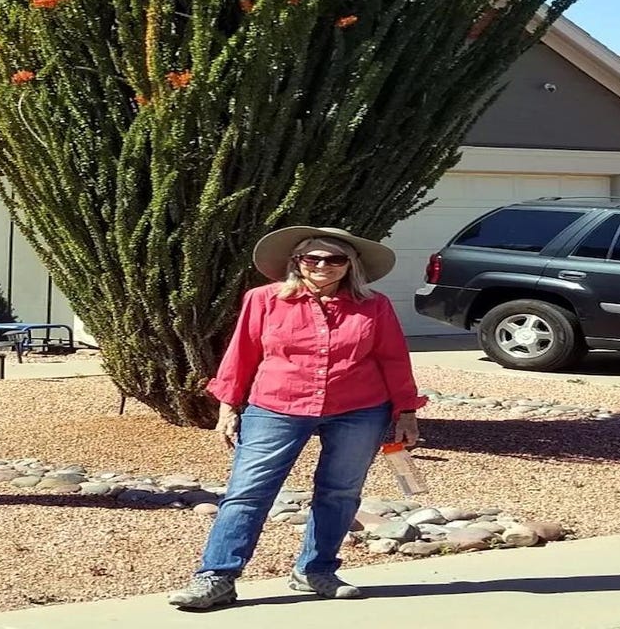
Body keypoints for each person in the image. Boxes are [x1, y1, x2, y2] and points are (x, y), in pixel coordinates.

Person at [168, 225, 428, 611]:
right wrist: (228, 406)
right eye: (313, 258)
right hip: (276, 406)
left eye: (335, 258)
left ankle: (315, 570)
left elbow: (392, 358)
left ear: (349, 265)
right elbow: (243, 353)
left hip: (359, 409)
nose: (324, 265)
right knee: (248, 492)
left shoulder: (374, 305)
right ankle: (216, 578)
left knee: (340, 492)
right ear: (297, 262)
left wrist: (406, 411)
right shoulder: (263, 299)